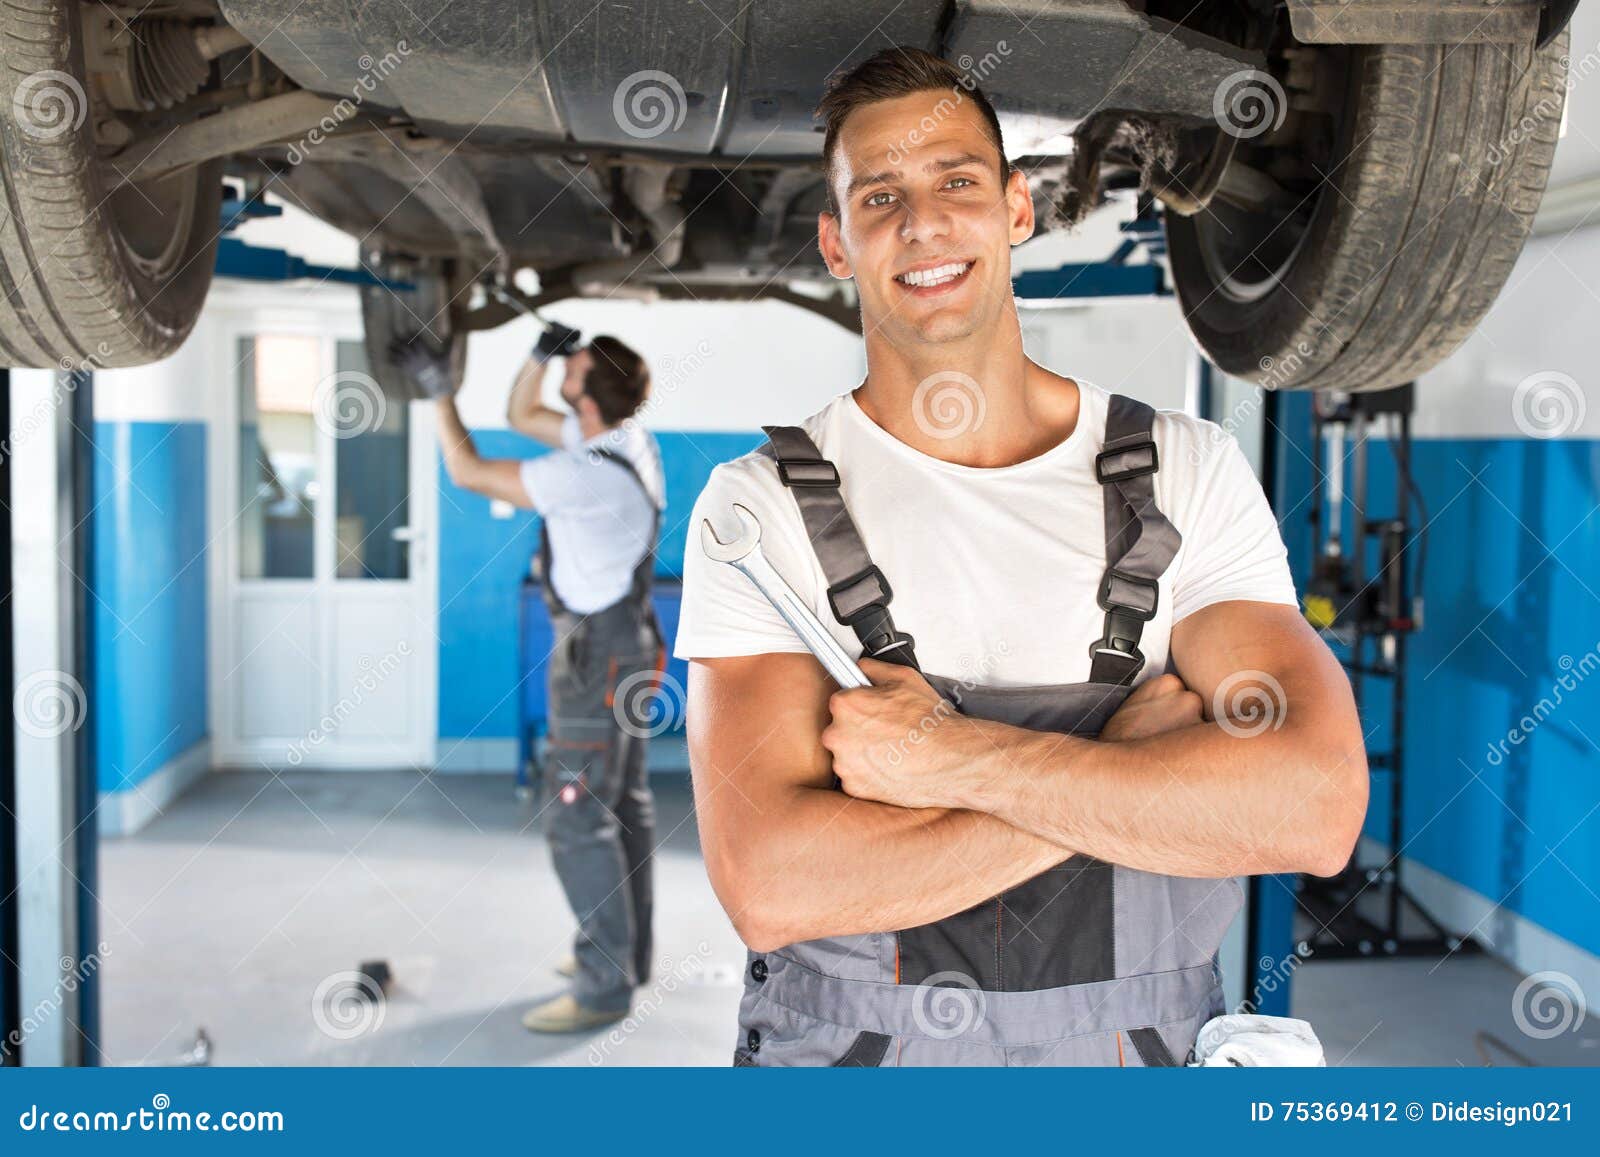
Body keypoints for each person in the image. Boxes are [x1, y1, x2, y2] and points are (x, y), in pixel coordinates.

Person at [672, 46, 1367, 1066]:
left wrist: (956, 759)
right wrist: (1131, 771)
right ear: (835, 242)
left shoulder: (1187, 471)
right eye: (879, 196)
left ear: (1016, 208)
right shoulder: (759, 506)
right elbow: (771, 885)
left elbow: (1314, 806)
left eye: (956, 181)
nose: (922, 223)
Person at [431, 326, 666, 1033]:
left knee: (576, 814)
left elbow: (468, 470)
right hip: (630, 643)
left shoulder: (582, 471)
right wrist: (539, 356)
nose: (567, 363)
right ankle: (627, 957)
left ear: (586, 398)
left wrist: (437, 393)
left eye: (574, 364)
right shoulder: (625, 443)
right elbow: (520, 414)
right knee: (622, 802)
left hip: (598, 659)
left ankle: (603, 987)